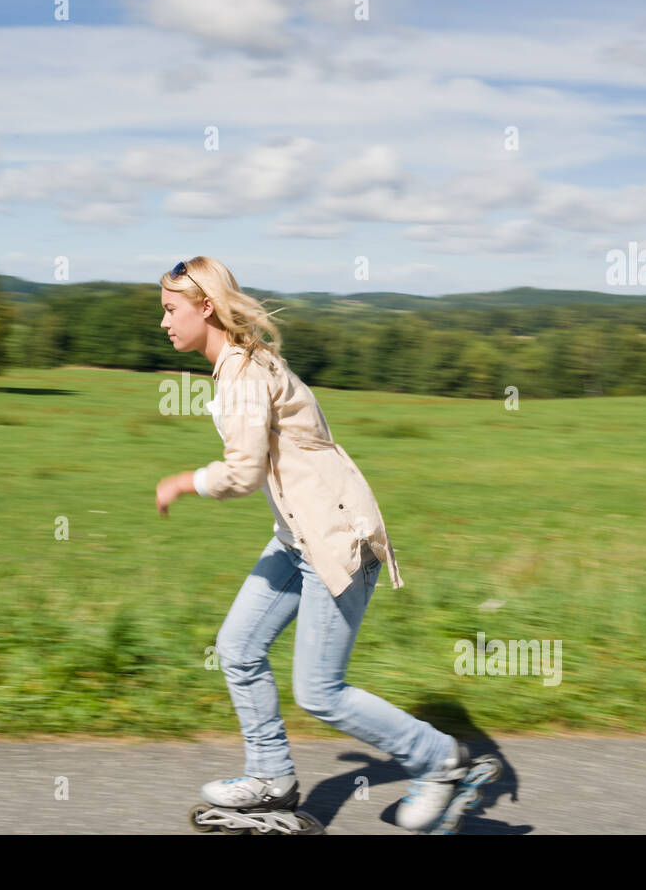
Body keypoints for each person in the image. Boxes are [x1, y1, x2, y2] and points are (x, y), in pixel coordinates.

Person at [154, 256, 475, 833]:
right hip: (297, 539)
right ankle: (270, 778)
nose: (163, 323)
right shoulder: (239, 365)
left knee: (320, 691)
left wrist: (185, 481)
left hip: (337, 542)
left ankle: (442, 760)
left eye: (170, 310)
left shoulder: (245, 372)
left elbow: (244, 473)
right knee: (238, 648)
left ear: (205, 307)